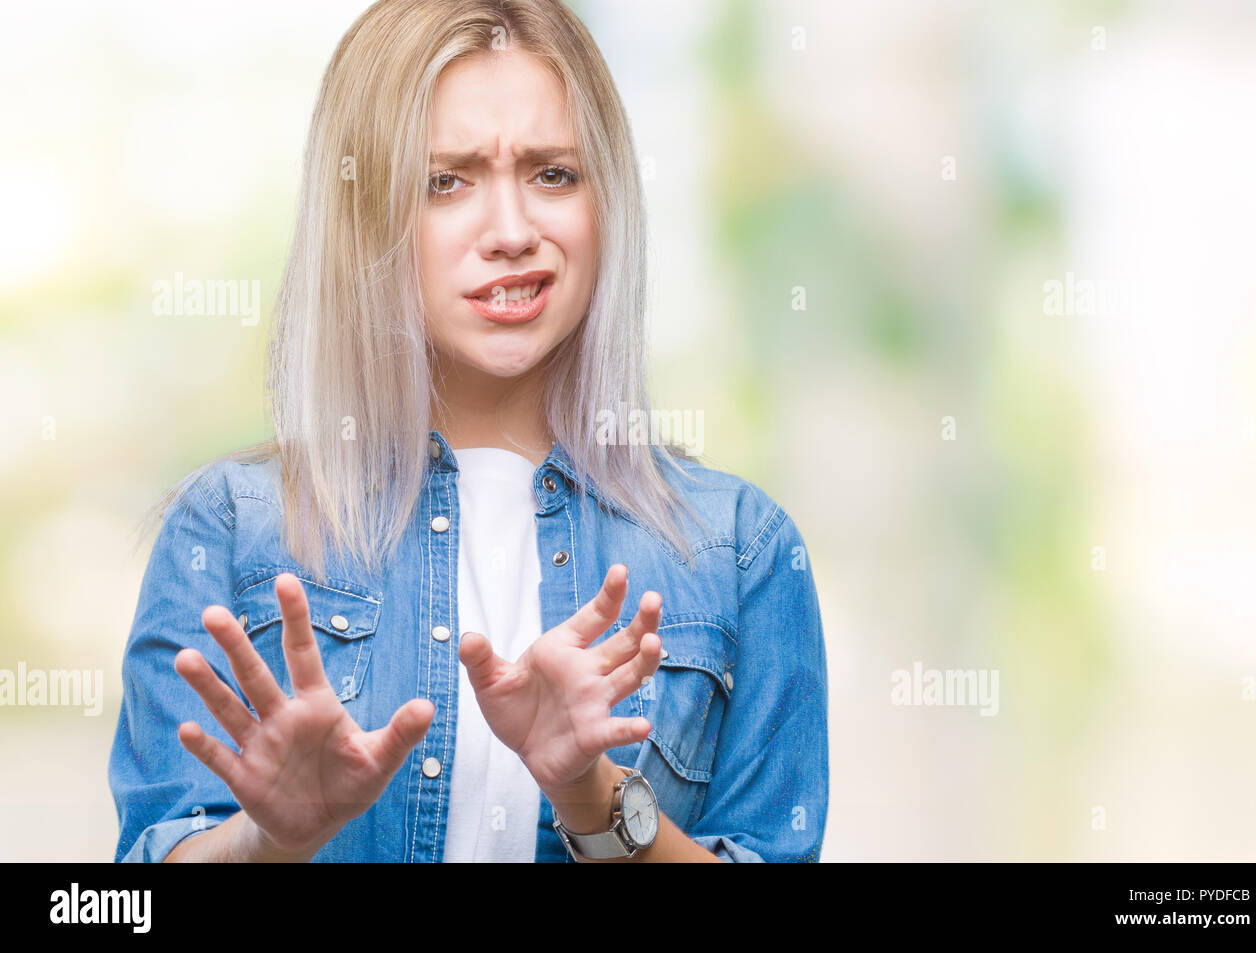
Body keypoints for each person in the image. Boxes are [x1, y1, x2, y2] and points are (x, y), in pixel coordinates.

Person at [109, 0, 828, 863]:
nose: (513, 232)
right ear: (365, 213)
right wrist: (269, 840)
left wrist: (590, 796)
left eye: (552, 173)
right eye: (445, 181)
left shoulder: (740, 550)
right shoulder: (230, 527)